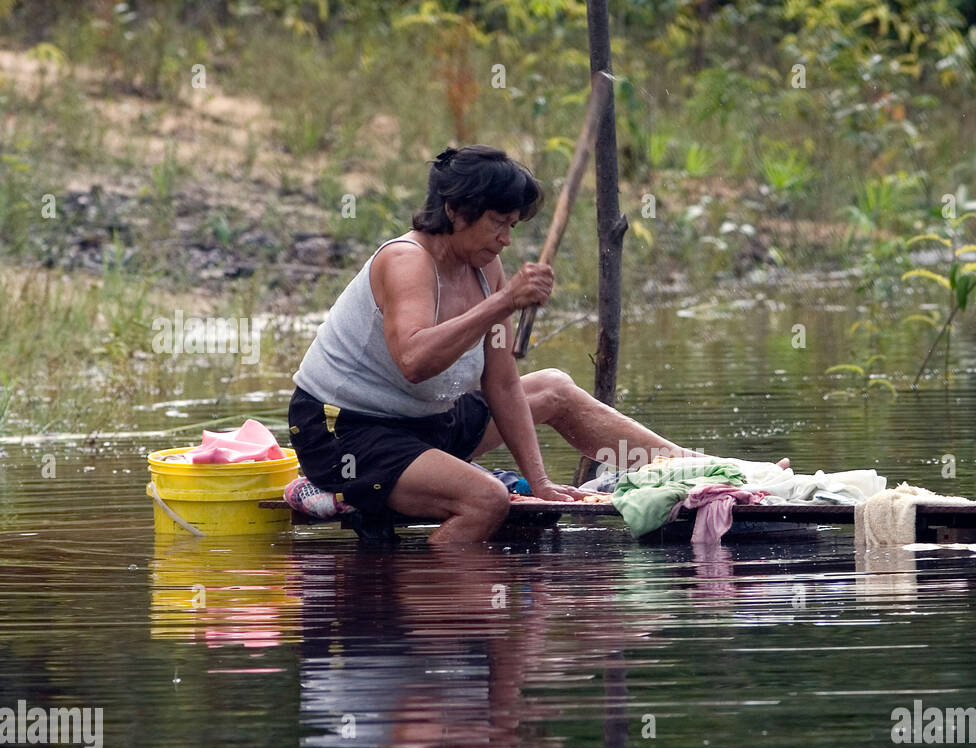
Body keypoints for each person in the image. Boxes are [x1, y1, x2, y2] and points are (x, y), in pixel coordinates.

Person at [287, 144, 701, 544]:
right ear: (454, 211)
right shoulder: (407, 261)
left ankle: (692, 469)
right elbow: (414, 360)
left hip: (430, 423)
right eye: (497, 222)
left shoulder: (486, 267)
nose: (505, 238)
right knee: (485, 500)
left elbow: (501, 383)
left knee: (553, 387)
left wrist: (540, 483)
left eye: (513, 226)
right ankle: (419, 591)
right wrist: (503, 302)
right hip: (346, 432)